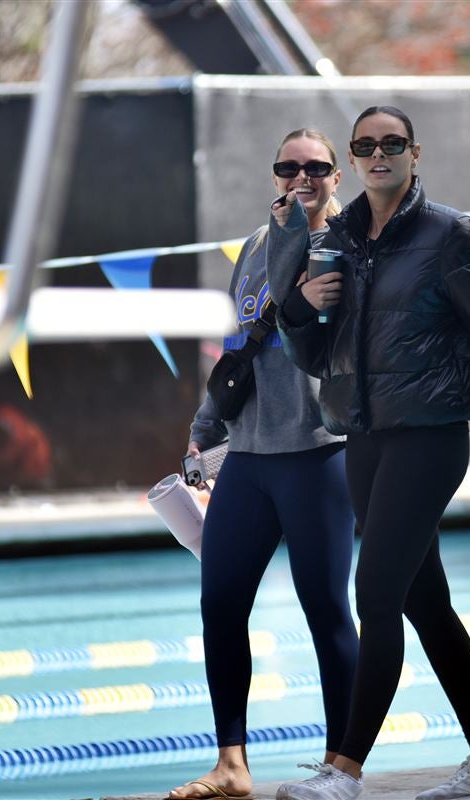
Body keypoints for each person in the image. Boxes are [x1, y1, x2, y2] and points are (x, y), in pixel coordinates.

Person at [267, 105, 470, 800]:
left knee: (376, 592)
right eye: (365, 145)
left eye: (392, 144)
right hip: (366, 438)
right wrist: (299, 306)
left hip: (431, 437)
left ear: (416, 153)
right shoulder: (344, 238)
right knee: (426, 602)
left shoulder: (451, 236)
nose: (378, 154)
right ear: (354, 158)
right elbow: (316, 352)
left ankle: (345, 771)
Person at [167, 129, 360, 800]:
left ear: (338, 177)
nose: (301, 176)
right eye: (288, 167)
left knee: (326, 610)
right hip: (248, 456)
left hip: (317, 455)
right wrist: (204, 432)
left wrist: (295, 235)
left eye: (316, 167)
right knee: (219, 601)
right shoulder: (252, 243)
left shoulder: (345, 247)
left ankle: (342, 768)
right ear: (275, 174)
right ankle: (232, 765)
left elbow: (308, 319)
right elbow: (236, 347)